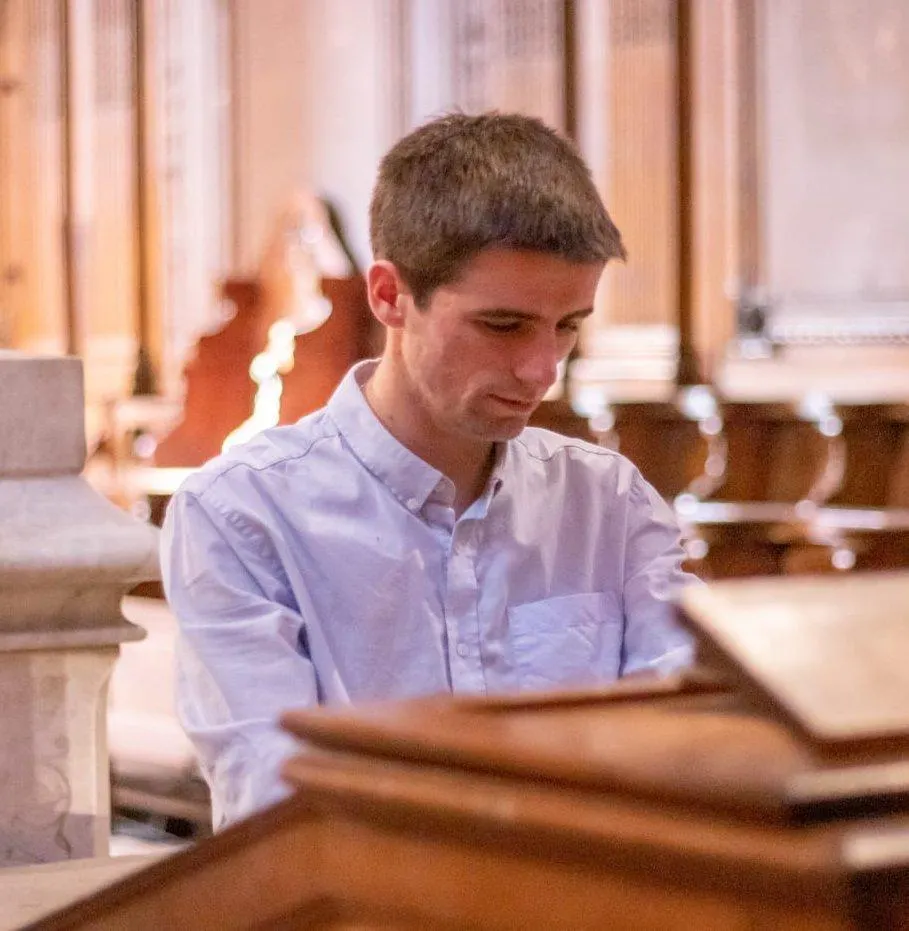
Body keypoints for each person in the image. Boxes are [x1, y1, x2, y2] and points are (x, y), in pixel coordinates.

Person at [161, 112, 696, 829]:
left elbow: (684, 748)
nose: (542, 370)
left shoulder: (611, 503)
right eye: (501, 325)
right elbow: (281, 807)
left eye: (567, 325)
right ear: (388, 295)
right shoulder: (240, 516)